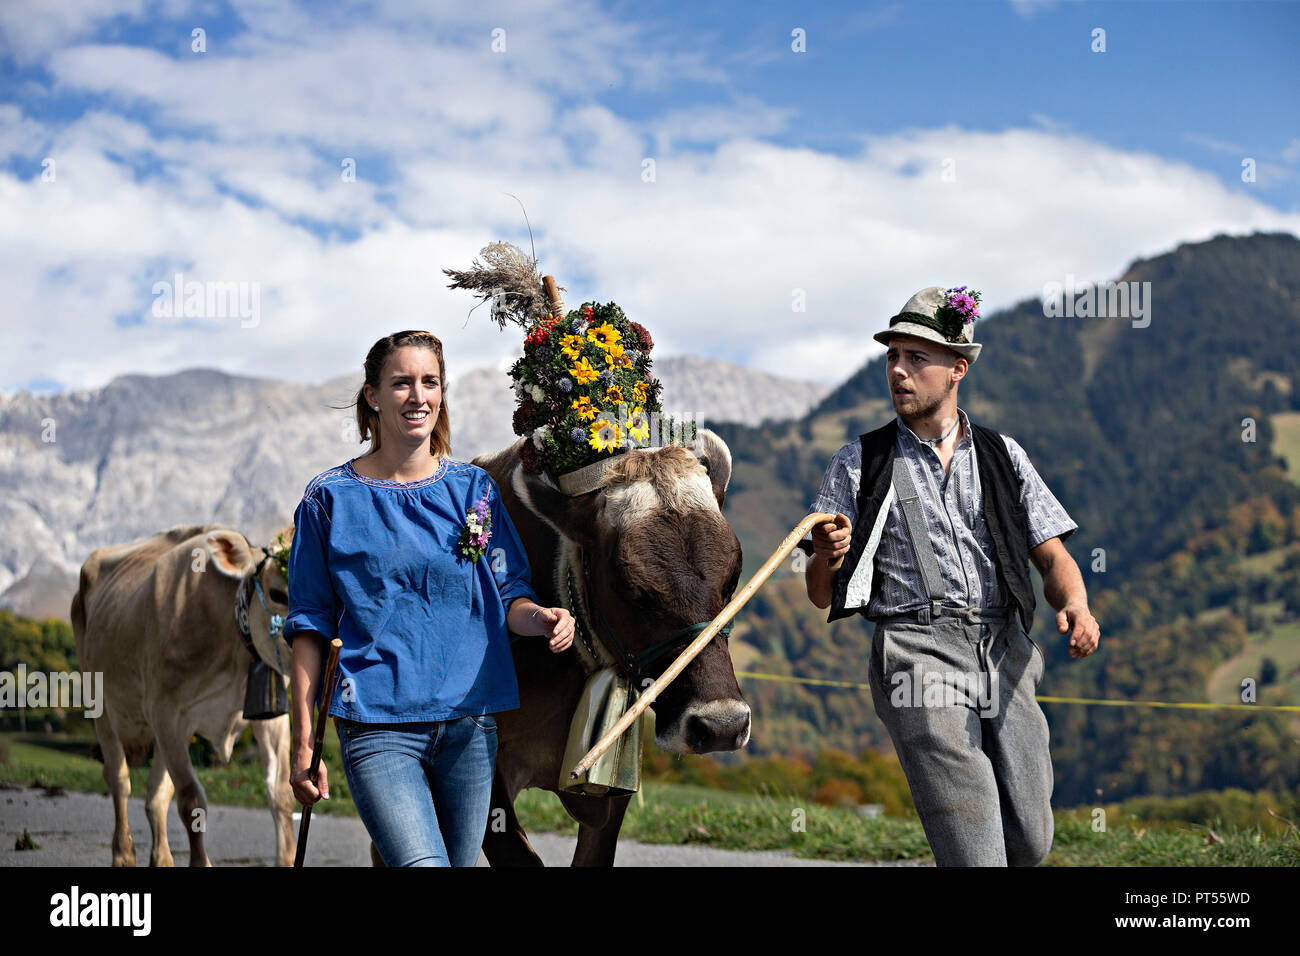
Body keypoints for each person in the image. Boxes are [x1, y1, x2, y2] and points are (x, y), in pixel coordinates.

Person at [803, 286, 1100, 867]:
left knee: (1031, 841)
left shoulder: (1003, 455)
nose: (898, 370)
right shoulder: (857, 461)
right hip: (917, 652)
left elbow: (1054, 557)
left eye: (917, 358)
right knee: (975, 851)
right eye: (893, 356)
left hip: (1005, 647)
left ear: (957, 369)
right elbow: (819, 593)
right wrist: (827, 554)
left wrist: (1078, 606)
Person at [285, 329, 575, 866]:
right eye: (401, 383)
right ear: (372, 395)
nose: (417, 396)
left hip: (469, 726)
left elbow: (509, 591)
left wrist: (542, 618)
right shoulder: (328, 500)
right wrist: (303, 744)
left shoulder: (474, 492)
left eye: (429, 382)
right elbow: (309, 627)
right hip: (377, 727)